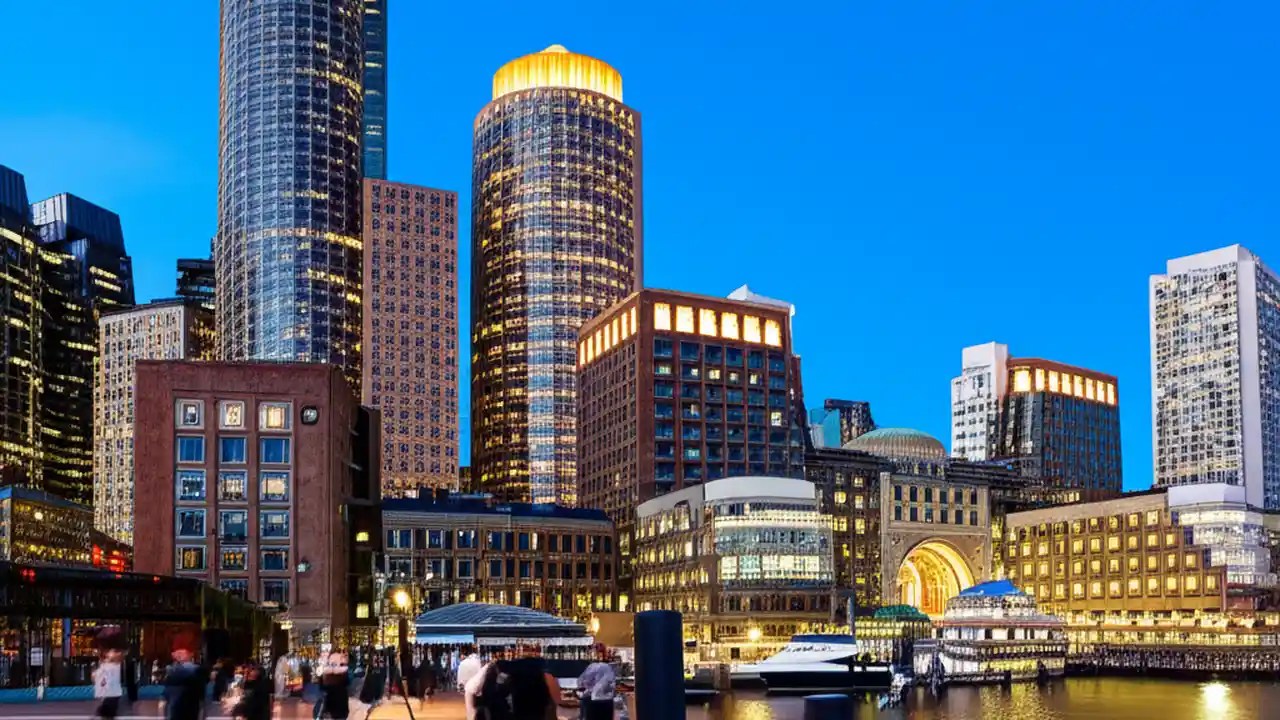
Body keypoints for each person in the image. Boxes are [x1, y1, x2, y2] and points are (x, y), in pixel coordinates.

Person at [162, 635, 206, 720]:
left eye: (181, 653)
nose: (179, 655)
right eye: (177, 652)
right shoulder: (197, 671)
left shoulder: (171, 672)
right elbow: (202, 702)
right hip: (190, 709)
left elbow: (165, 701)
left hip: (176, 710)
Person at [93, 647, 124, 720]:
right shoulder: (105, 665)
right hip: (108, 694)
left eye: (112, 652)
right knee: (106, 713)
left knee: (108, 713)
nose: (110, 654)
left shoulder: (115, 665)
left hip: (113, 694)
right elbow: (97, 677)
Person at [319, 651, 350, 719]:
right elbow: (347, 683)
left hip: (331, 709)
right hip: (341, 710)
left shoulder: (326, 675)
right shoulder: (343, 674)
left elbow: (321, 687)